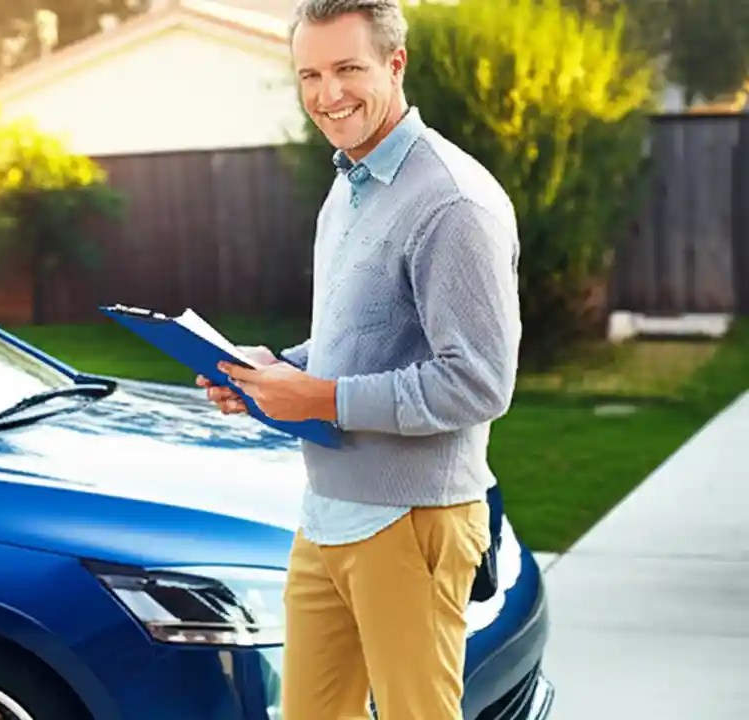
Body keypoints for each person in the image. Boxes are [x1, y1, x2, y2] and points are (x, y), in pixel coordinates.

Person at [196, 1, 523, 718]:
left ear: (395, 64)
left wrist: (316, 398)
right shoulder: (350, 185)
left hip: (412, 522)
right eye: (309, 74)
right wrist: (271, 372)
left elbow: (478, 382)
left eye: (348, 68)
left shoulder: (452, 203)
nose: (327, 93)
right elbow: (358, 337)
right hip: (326, 516)